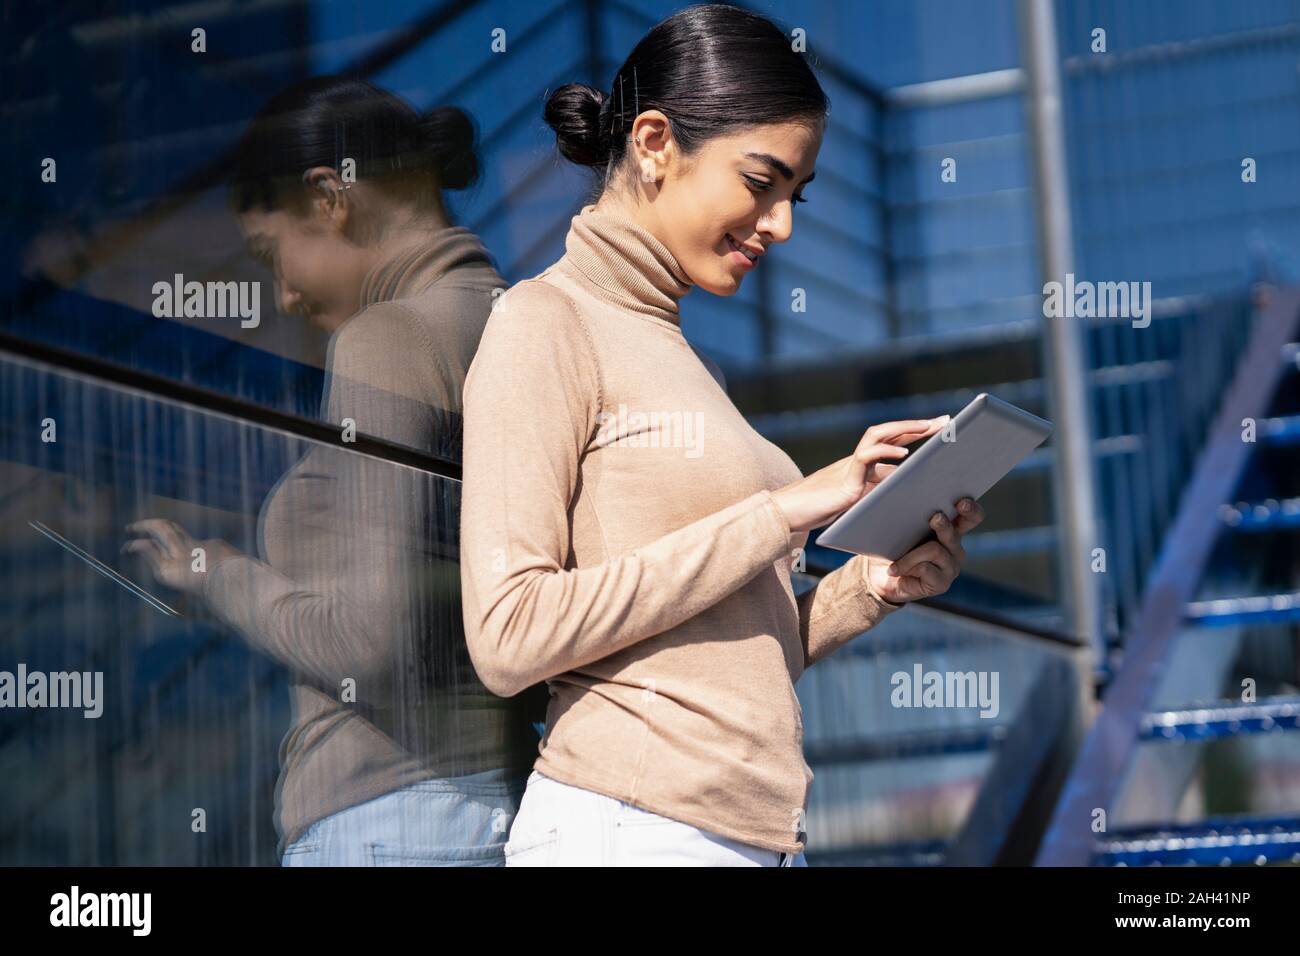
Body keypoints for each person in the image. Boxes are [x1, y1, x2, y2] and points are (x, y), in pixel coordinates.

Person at [458, 4, 985, 867]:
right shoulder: (542, 322)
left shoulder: (680, 357)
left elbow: (722, 658)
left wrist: (873, 587)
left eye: (795, 196)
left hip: (744, 839)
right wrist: (782, 510)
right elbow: (511, 634)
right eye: (761, 182)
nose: (780, 225)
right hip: (628, 829)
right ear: (656, 143)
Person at [125, 76, 546, 865]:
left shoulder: (389, 339)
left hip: (393, 819)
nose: (282, 295)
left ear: (329, 198)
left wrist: (212, 572)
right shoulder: (529, 323)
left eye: (270, 254)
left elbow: (368, 644)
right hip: (495, 802)